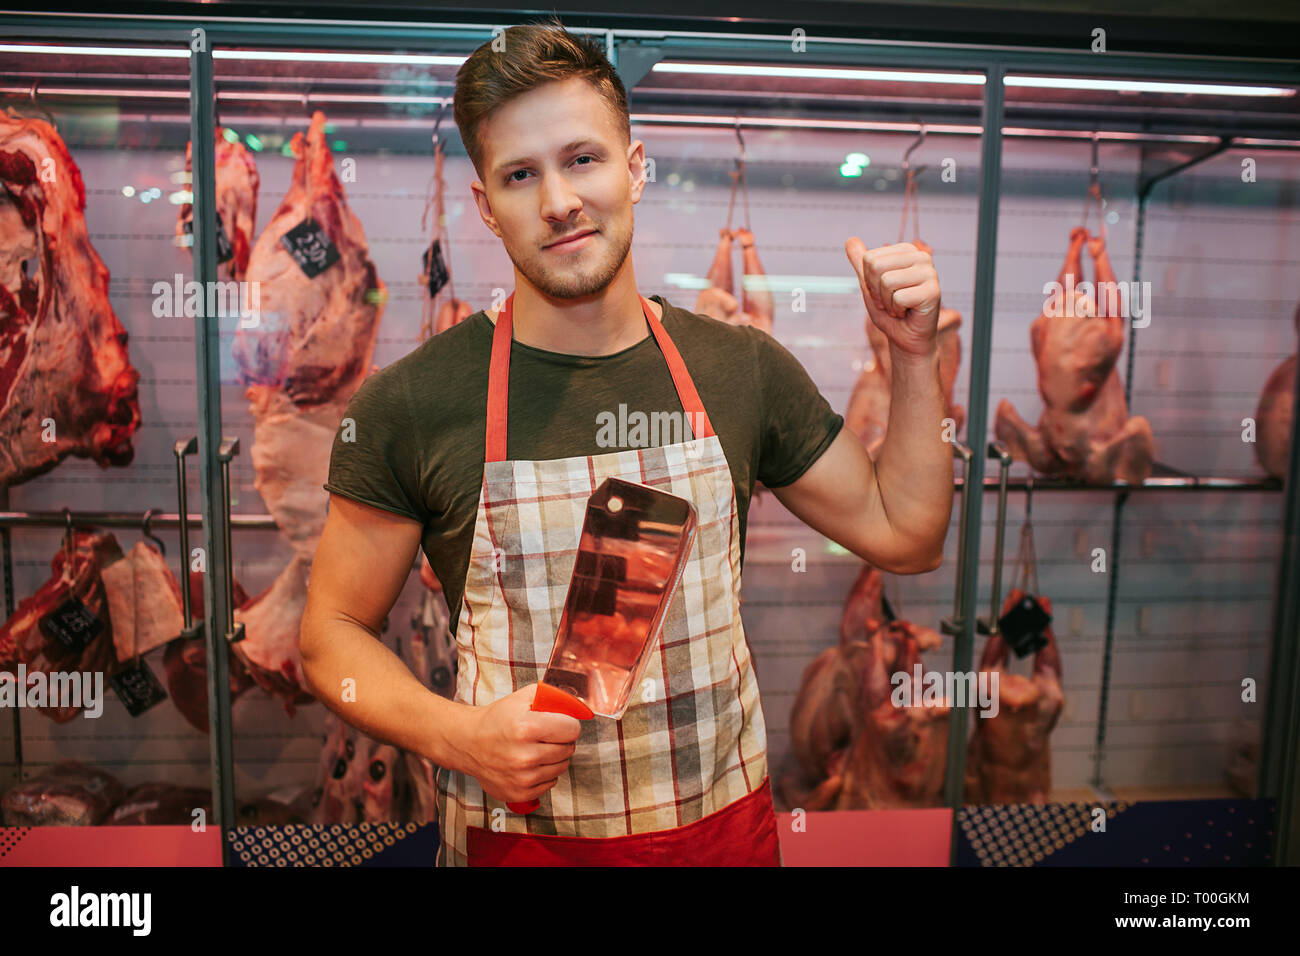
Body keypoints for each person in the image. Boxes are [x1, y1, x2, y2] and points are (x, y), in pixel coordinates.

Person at [301, 18, 953, 867]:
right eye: (520, 175)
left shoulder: (739, 368)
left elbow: (908, 532)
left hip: (720, 841)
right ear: (485, 206)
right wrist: (460, 738)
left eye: (583, 159)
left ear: (635, 168)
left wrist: (913, 359)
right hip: (518, 848)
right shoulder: (416, 402)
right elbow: (330, 633)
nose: (559, 202)